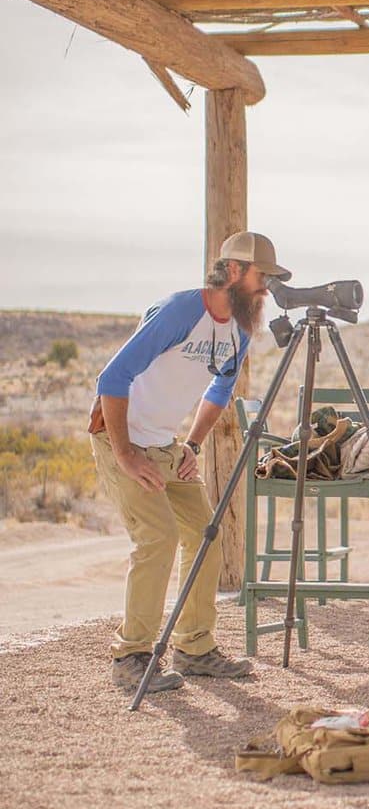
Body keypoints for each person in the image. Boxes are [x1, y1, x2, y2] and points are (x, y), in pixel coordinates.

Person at [90, 231, 291, 695]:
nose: (267, 289)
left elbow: (220, 389)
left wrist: (193, 446)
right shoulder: (181, 310)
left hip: (166, 444)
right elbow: (113, 377)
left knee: (206, 533)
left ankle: (195, 648)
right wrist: (124, 452)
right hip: (118, 436)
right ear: (235, 271)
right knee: (157, 538)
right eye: (263, 277)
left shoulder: (241, 330)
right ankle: (131, 656)